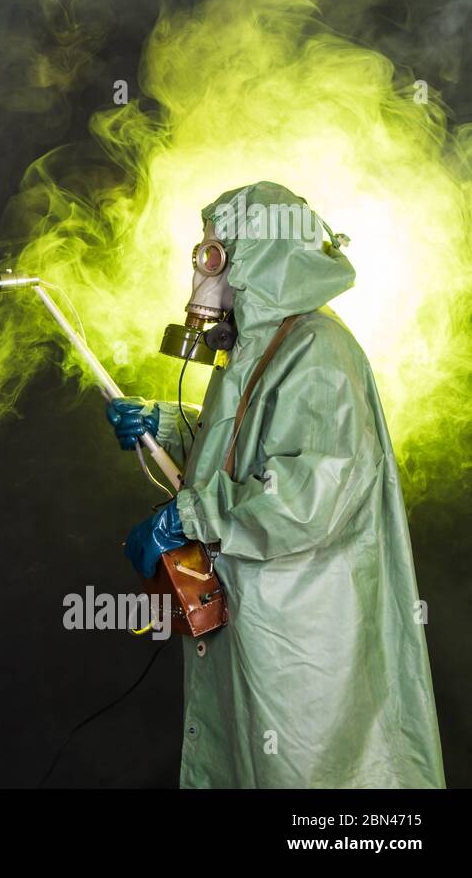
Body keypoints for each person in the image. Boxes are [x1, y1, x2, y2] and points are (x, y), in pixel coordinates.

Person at [105, 181, 445, 788]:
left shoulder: (317, 350)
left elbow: (305, 497)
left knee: (312, 781)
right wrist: (162, 423)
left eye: (214, 256)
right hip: (258, 619)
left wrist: (186, 519)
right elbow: (241, 449)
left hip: (305, 637)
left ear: (258, 255)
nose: (204, 274)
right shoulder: (261, 345)